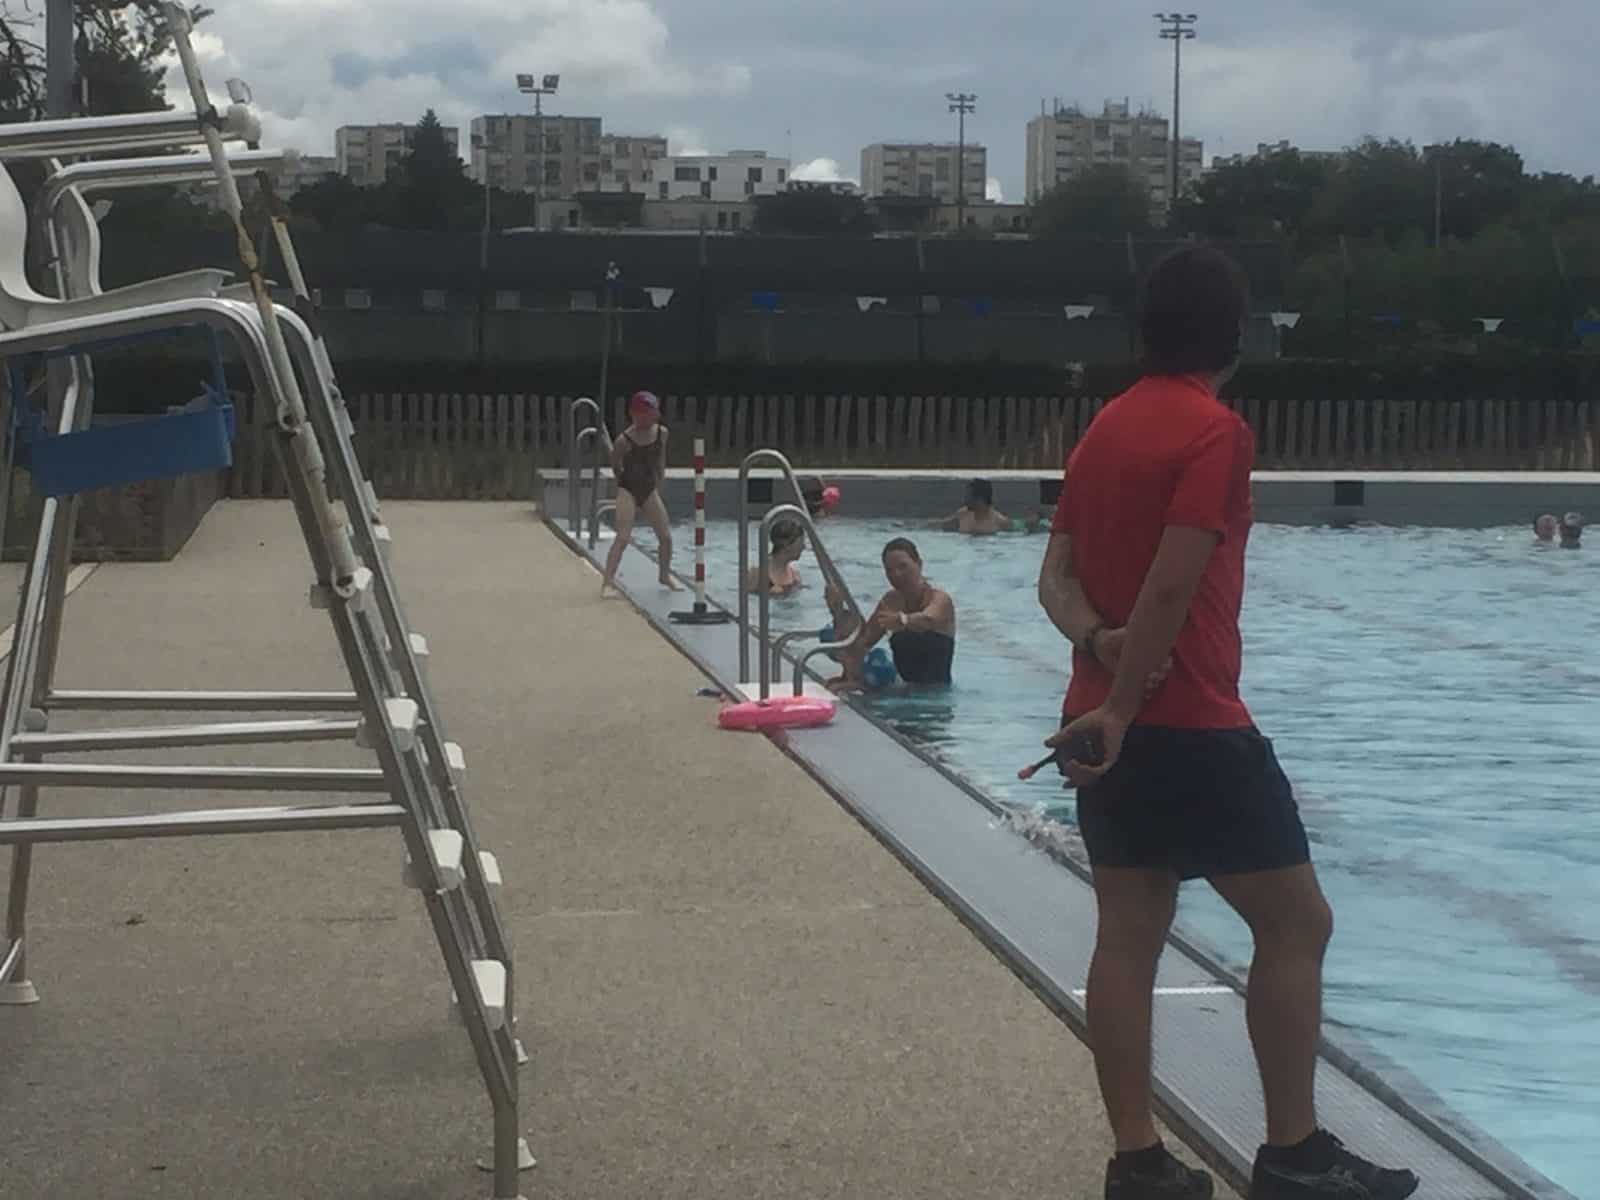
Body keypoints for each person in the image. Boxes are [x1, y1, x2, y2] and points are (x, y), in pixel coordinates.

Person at [1036, 246, 1418, 1200]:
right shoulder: (1215, 432)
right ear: (1233, 336)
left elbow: (1054, 577)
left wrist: (1101, 647)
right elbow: (1179, 572)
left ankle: (1140, 1163)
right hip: (1191, 725)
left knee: (1128, 933)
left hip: (1097, 723)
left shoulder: (1103, 431)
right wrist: (1129, 699)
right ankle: (1293, 1154)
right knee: (1298, 922)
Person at [832, 538, 955, 689]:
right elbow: (861, 643)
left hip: (936, 698)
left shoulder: (940, 599)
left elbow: (927, 619)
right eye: (889, 570)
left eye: (903, 567)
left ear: (919, 564)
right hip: (902, 692)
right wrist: (837, 611)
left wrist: (902, 620)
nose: (896, 574)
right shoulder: (891, 602)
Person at [600, 391, 681, 596]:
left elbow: (661, 461)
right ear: (632, 414)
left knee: (666, 537)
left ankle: (664, 575)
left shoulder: (662, 433)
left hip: (649, 489)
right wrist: (621, 484)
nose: (645, 418)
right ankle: (607, 582)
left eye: (649, 413)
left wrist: (659, 484)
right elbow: (614, 462)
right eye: (641, 414)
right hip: (628, 489)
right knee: (623, 537)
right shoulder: (624, 440)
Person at [746, 519, 806, 595]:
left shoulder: (796, 577)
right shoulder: (756, 575)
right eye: (800, 543)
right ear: (786, 545)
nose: (804, 547)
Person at [936, 477, 1010, 535]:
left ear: (979, 499)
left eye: (968, 496)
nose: (965, 500)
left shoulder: (1000, 522)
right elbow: (941, 525)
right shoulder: (962, 514)